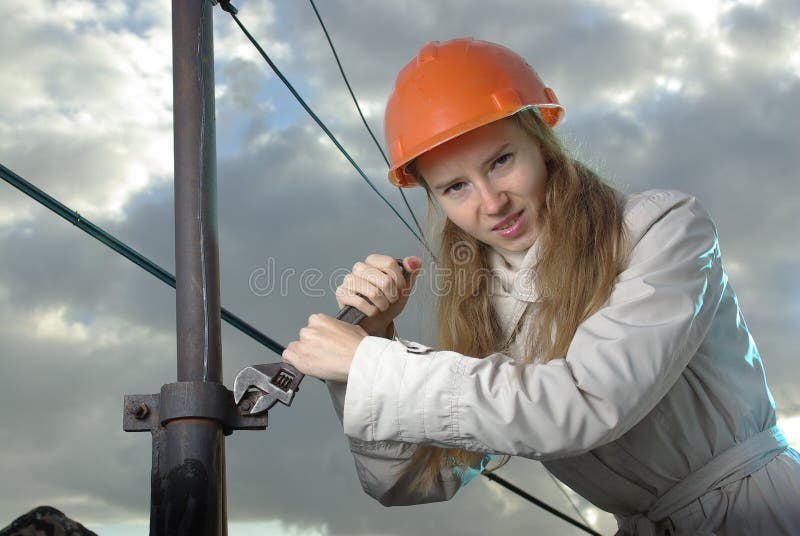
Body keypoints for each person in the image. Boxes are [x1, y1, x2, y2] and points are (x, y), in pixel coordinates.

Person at [281, 37, 800, 535]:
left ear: (542, 144)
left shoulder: (662, 228)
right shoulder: (482, 304)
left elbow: (587, 403)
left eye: (500, 161)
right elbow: (408, 481)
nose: (491, 203)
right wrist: (371, 342)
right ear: (434, 199)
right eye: (455, 187)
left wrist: (371, 365)